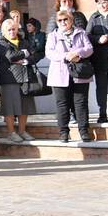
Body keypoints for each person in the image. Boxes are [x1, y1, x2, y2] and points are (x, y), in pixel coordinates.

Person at [46, 10, 94, 143]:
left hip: (79, 73)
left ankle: (84, 131)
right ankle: (63, 133)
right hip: (59, 74)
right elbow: (49, 53)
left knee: (81, 103)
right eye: (60, 20)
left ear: (71, 20)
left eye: (65, 19)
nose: (63, 23)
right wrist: (66, 56)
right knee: (62, 104)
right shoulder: (53, 36)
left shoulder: (81, 32)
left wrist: (77, 53)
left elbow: (89, 49)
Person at [0, 17, 33, 141]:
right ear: (4, 31)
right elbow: (10, 56)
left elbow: (33, 53)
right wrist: (25, 53)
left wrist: (26, 59)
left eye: (14, 29)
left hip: (24, 76)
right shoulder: (1, 43)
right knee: (9, 107)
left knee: (24, 106)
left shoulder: (24, 41)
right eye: (9, 30)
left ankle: (22, 131)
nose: (12, 32)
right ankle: (11, 132)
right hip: (9, 79)